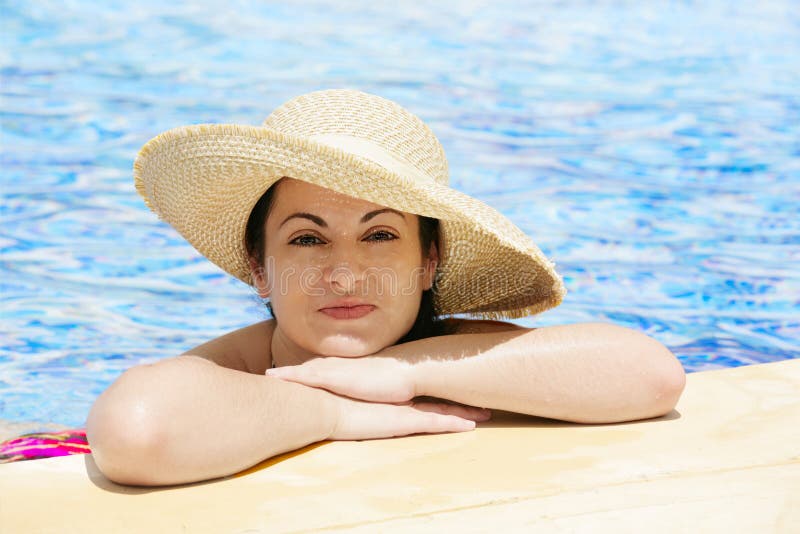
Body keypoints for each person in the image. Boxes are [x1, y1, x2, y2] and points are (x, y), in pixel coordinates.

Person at [86, 89, 686, 487]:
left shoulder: (460, 353)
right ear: (260, 268)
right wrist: (335, 410)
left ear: (429, 262)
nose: (345, 275)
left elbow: (650, 374)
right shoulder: (232, 376)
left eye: (378, 236)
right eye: (307, 240)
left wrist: (407, 373)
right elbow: (137, 431)